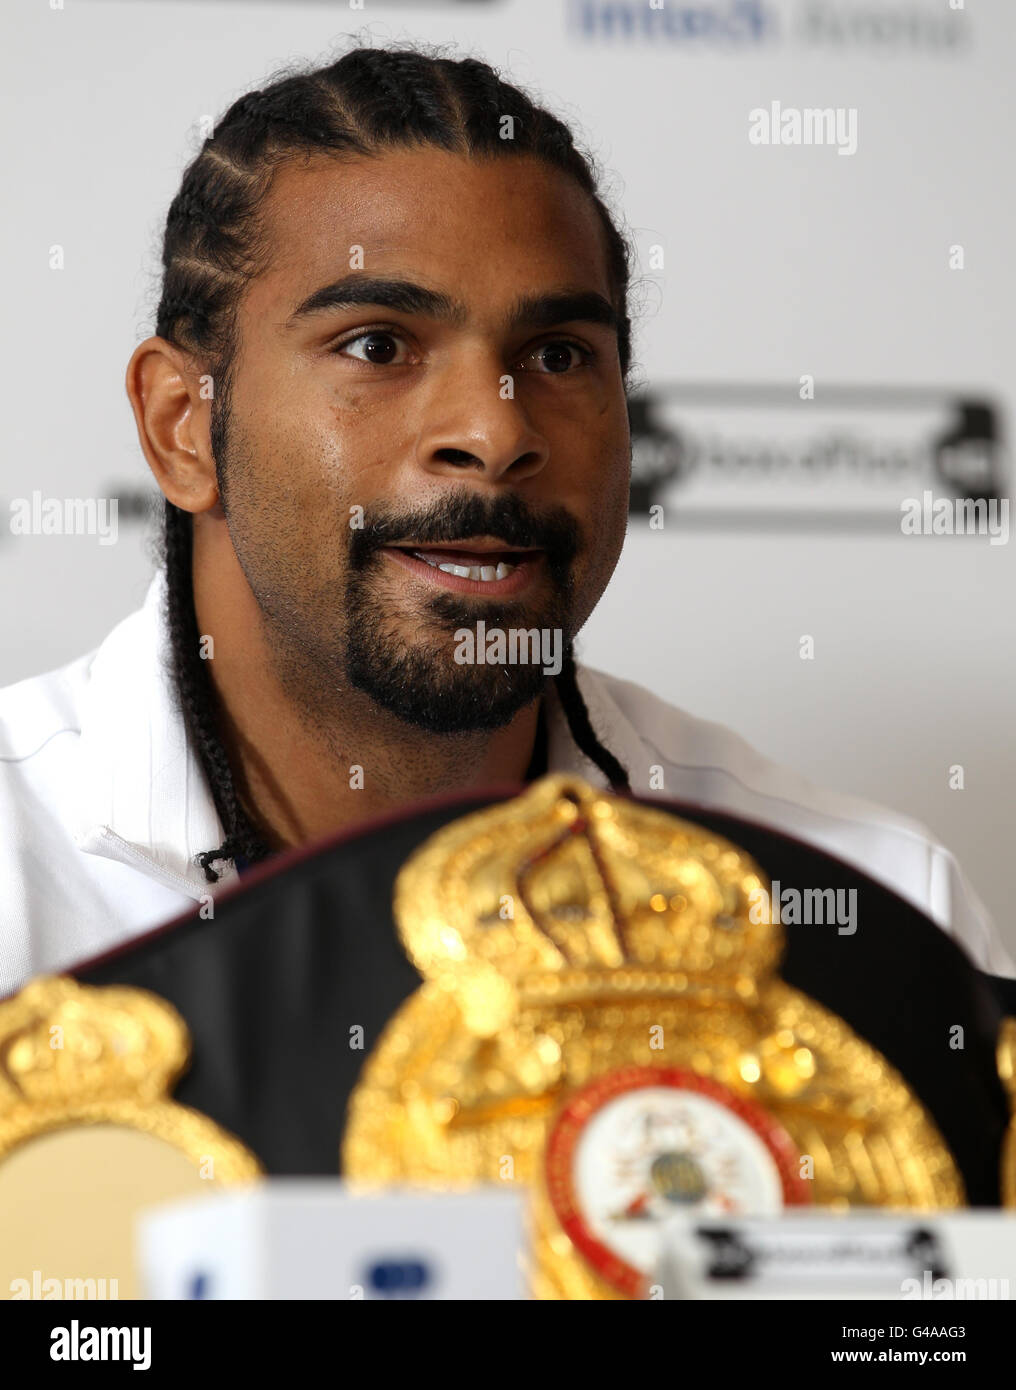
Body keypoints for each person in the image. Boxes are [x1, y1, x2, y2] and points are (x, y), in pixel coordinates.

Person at [0, 45, 1010, 997]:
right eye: (375, 345)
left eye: (560, 355)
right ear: (183, 426)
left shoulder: (872, 914)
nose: (494, 431)